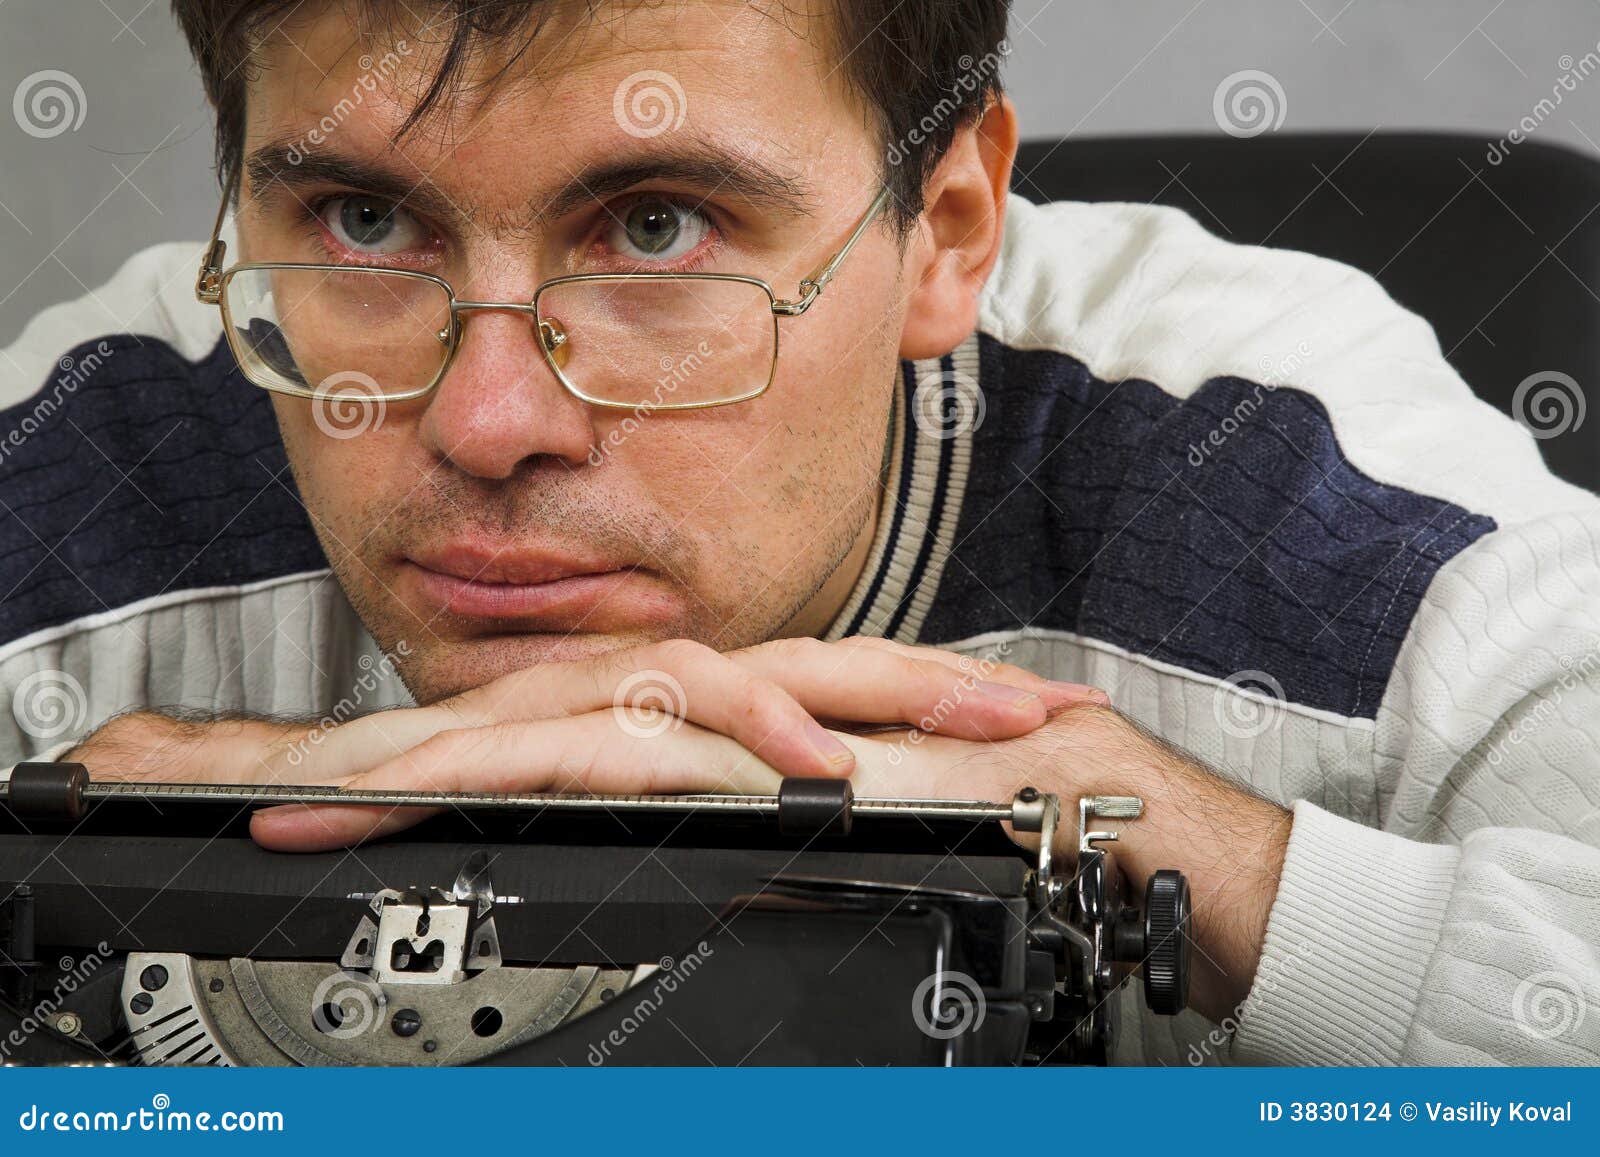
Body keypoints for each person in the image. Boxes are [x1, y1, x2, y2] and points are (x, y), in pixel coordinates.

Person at [2, 0, 1597, 1067]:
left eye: (655, 227)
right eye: (361, 222)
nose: (488, 421)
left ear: (946, 231)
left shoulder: (1287, 483)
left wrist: (1179, 849)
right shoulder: (91, 453)